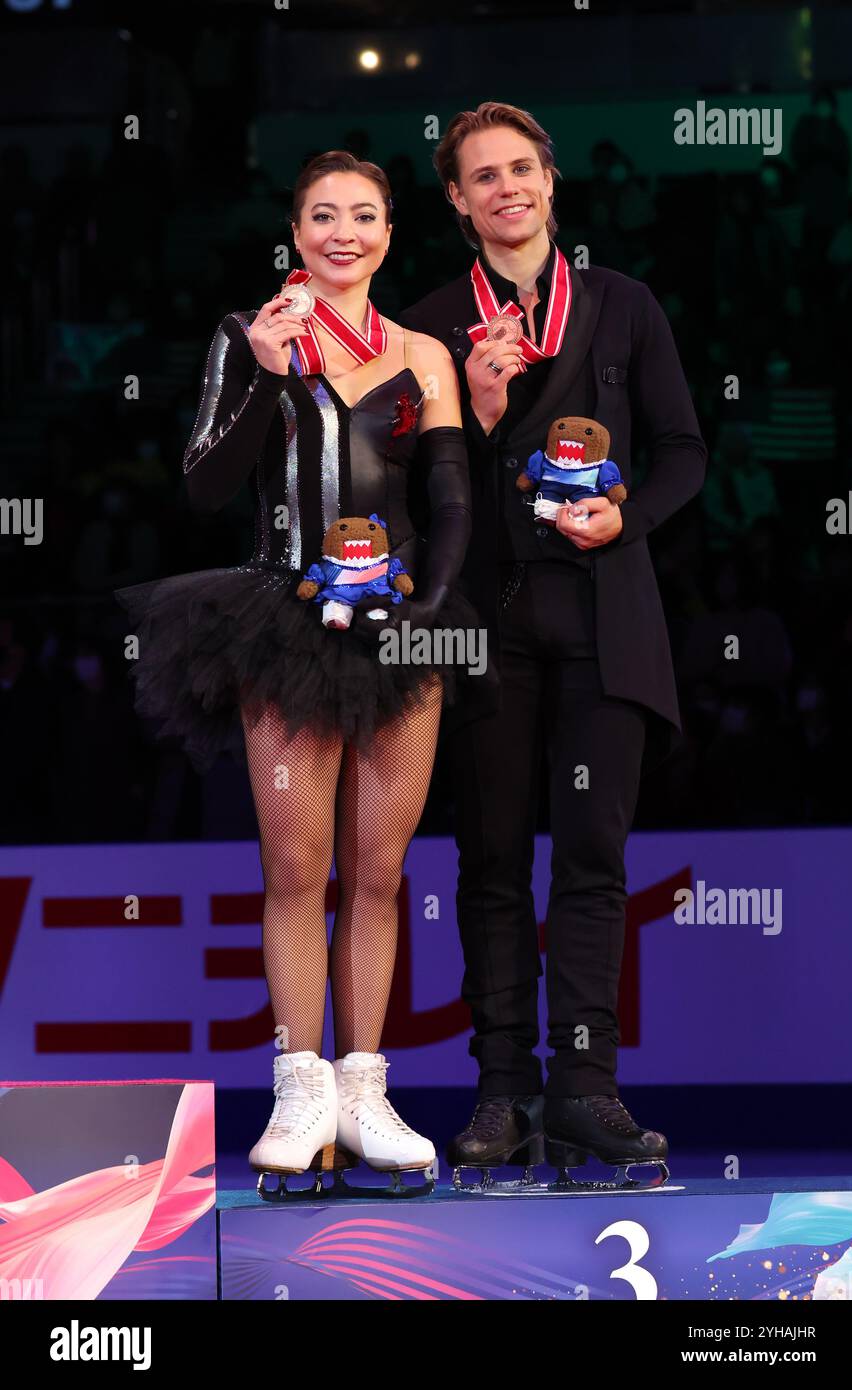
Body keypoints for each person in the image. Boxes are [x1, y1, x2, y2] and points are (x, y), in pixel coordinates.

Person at [115, 151, 474, 1190]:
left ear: (390, 234)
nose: (342, 232)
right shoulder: (255, 334)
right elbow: (202, 485)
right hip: (281, 616)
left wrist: (433, 601)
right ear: (295, 231)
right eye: (322, 215)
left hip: (398, 628)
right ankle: (298, 1083)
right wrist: (267, 374)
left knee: (377, 870)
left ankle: (363, 1091)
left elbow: (449, 496)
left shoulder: (421, 352)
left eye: (362, 215)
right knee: (294, 866)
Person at [401, 103, 707, 1180]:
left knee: (590, 858)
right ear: (455, 199)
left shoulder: (622, 306)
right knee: (487, 860)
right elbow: (404, 496)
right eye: (480, 176)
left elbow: (680, 451)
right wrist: (478, 417)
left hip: (602, 612)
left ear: (548, 179)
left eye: (519, 168)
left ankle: (584, 1088)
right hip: (486, 617)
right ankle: (500, 1093)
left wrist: (629, 516)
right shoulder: (431, 323)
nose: (504, 188)